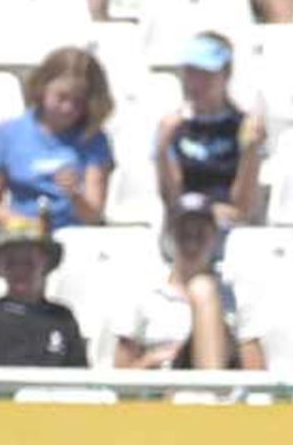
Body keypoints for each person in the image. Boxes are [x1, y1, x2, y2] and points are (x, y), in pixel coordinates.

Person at [113, 192, 265, 371]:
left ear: (214, 236)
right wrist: (154, 360)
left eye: (200, 232)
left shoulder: (237, 295)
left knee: (203, 288)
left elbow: (255, 374)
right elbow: (120, 376)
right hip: (163, 382)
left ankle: (209, 381)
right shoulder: (143, 294)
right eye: (184, 232)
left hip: (223, 381)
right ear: (169, 234)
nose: (192, 240)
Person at [0, 46, 115, 230]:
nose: (68, 108)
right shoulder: (9, 133)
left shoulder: (93, 139)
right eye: (61, 97)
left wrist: (75, 194)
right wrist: (27, 226)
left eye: (78, 101)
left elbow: (94, 215)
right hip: (21, 232)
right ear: (42, 88)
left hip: (74, 233)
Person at [155, 32, 266, 230]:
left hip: (228, 227)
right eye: (191, 73)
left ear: (225, 75)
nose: (195, 83)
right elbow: (171, 199)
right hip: (184, 227)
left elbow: (243, 207)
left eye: (206, 74)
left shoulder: (244, 127)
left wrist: (251, 150)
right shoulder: (172, 128)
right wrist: (162, 148)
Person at [0, 216, 88, 367]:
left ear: (45, 265)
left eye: (29, 263)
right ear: (1, 268)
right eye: (11, 264)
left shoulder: (62, 317)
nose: (20, 271)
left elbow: (79, 370)